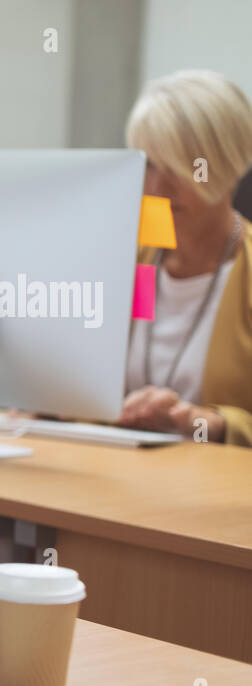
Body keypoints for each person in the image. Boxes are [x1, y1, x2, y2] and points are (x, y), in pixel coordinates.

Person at [120, 69, 252, 445]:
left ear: (226, 162)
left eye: (179, 166)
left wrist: (210, 423)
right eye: (148, 165)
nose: (158, 187)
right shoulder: (131, 262)